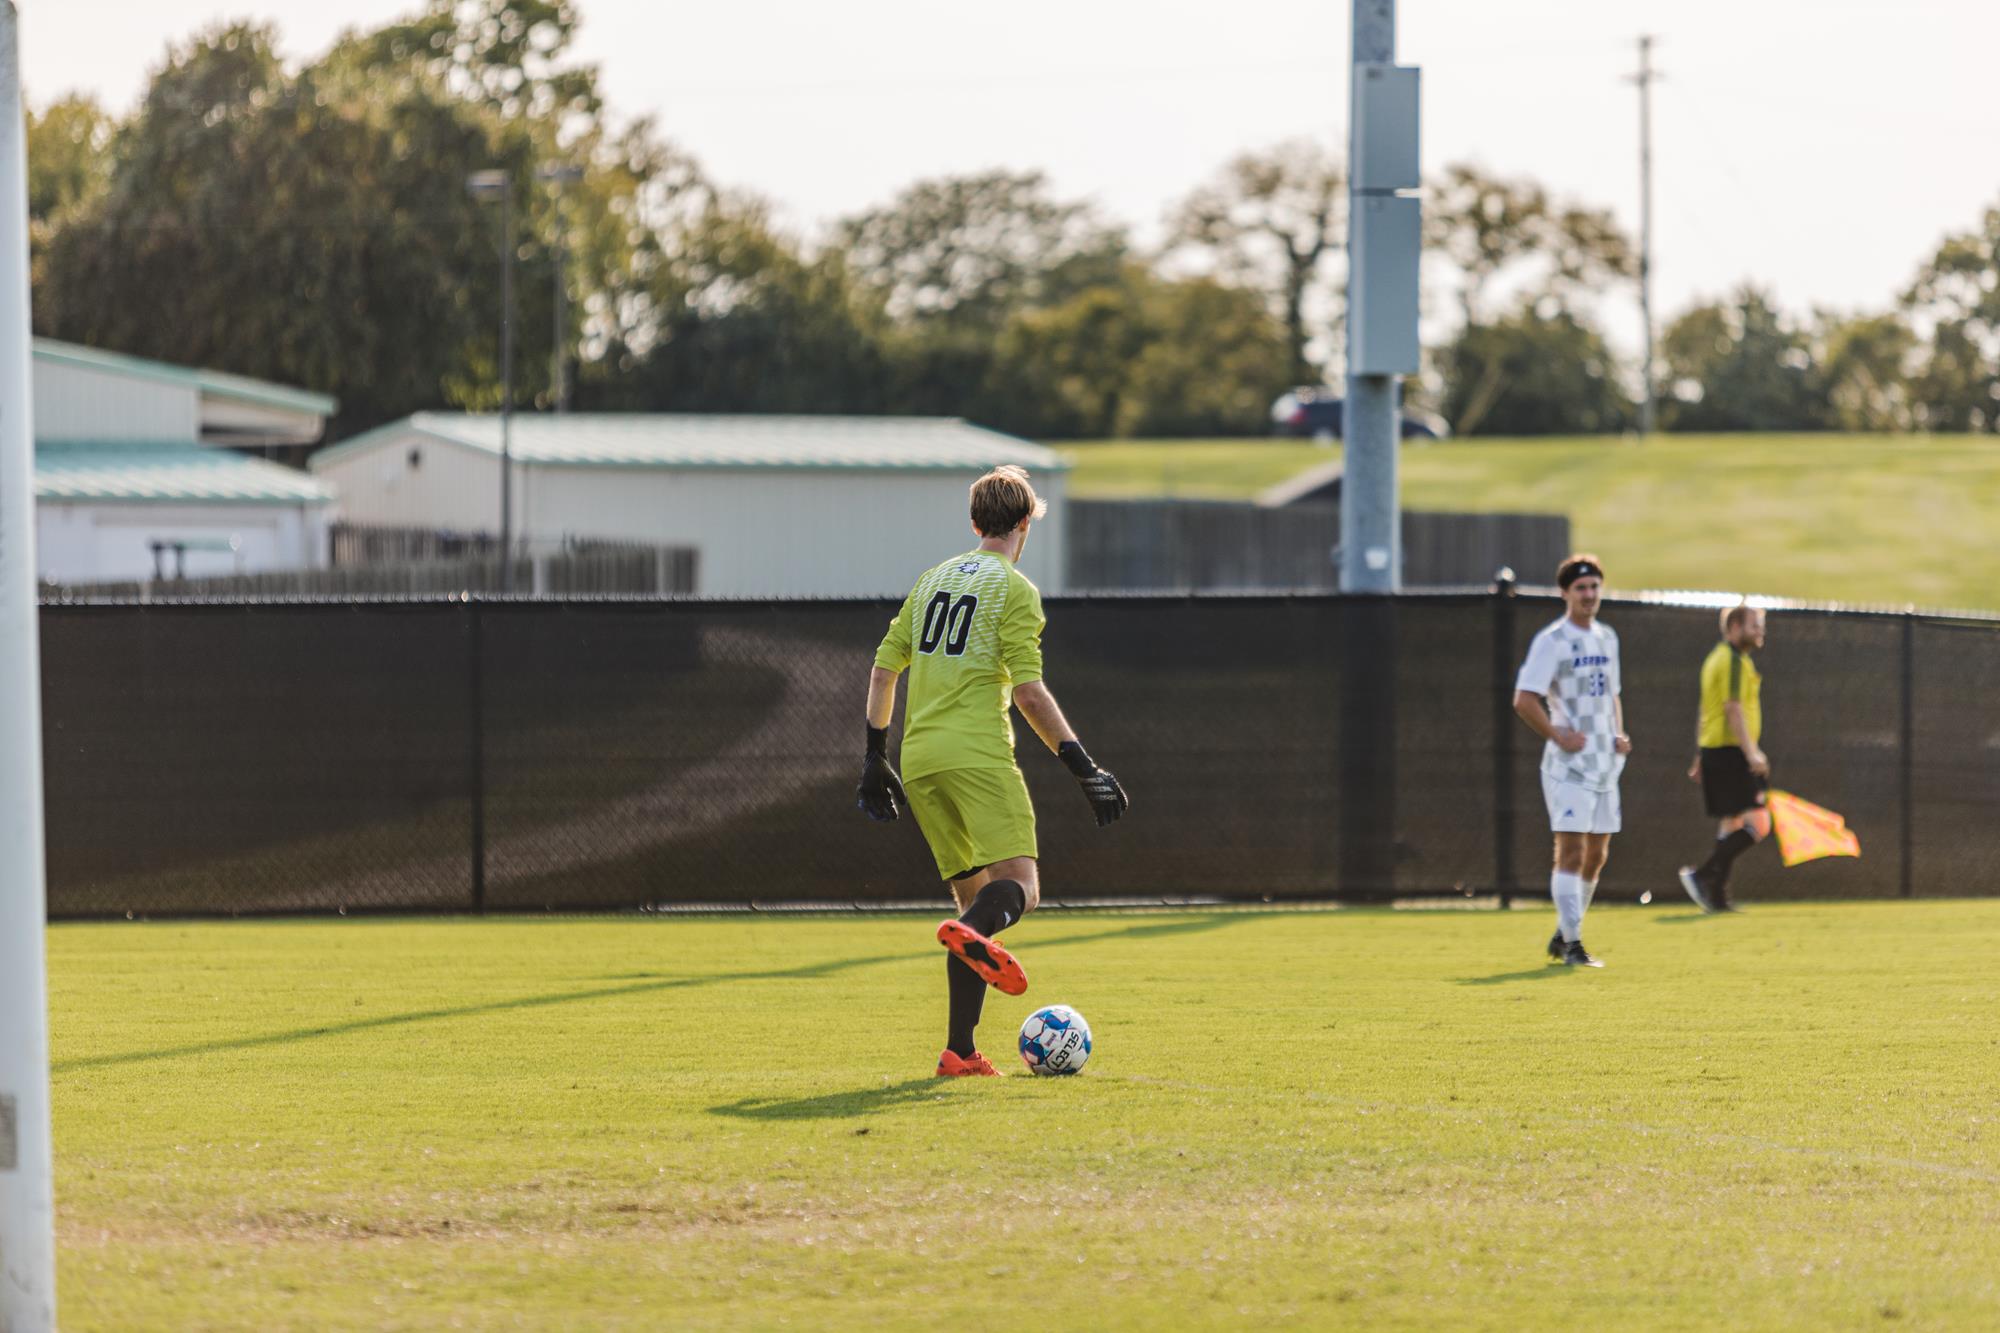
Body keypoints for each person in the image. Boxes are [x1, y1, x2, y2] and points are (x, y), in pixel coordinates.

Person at [856, 465, 1129, 1077]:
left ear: (975, 521)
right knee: (1021, 888)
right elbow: (1029, 693)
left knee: (972, 903)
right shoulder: (1015, 589)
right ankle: (973, 939)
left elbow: (882, 670)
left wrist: (874, 758)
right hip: (976, 755)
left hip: (919, 758)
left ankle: (960, 1052)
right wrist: (1084, 766)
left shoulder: (932, 581)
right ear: (1025, 521)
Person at [1512, 554, 1632, 968]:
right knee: (1571, 850)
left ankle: (1565, 932)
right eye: (1581, 588)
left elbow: (1612, 694)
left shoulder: (1607, 638)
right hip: (1569, 766)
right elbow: (1524, 699)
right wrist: (1556, 733)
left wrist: (1619, 732)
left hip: (1604, 764)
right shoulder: (1553, 641)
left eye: (1595, 586)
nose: (1589, 594)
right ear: (1564, 593)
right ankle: (1574, 943)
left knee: (1597, 854)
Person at [1678, 605, 1770, 913]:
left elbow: (1707, 710)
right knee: (1759, 822)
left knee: (1731, 823)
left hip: (1715, 750)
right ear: (1733, 628)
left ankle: (1716, 896)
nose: (1760, 631)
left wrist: (1699, 755)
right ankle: (1703, 874)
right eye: (1754, 625)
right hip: (1730, 752)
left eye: (1761, 625)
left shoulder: (1720, 658)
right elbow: (1731, 708)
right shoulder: (1730, 659)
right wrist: (1751, 752)